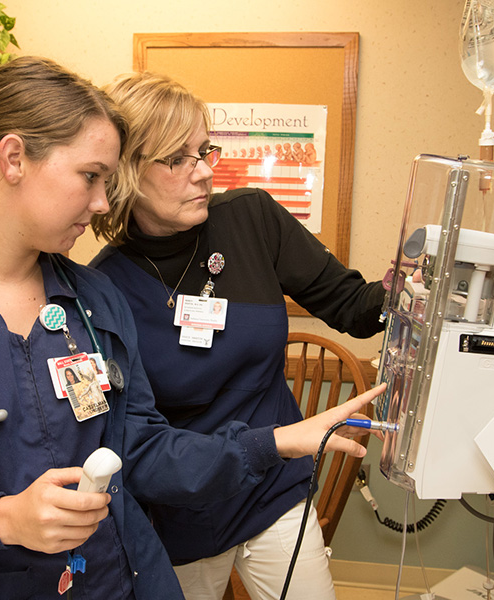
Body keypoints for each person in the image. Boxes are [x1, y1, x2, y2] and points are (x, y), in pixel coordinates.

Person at [0, 57, 381, 600]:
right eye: (91, 176)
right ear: (13, 158)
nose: (103, 203)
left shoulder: (93, 301)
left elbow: (140, 451)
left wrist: (274, 441)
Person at [90, 71, 387, 600]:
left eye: (205, 152)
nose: (203, 173)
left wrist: (409, 288)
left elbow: (354, 306)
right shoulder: (103, 288)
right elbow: (138, 444)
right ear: (125, 172)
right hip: (182, 510)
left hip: (273, 487)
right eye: (177, 159)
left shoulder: (251, 219)